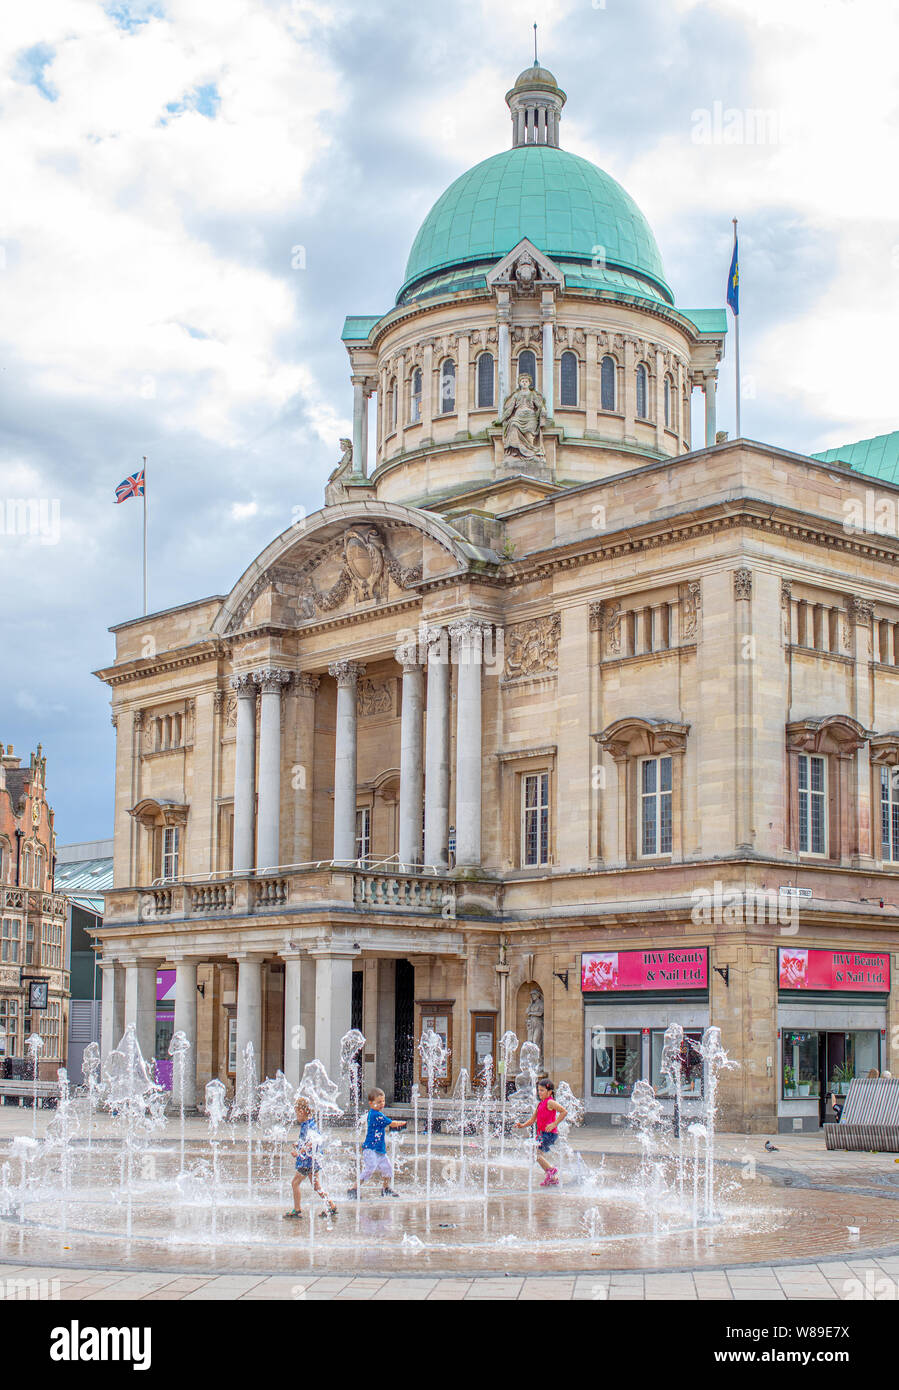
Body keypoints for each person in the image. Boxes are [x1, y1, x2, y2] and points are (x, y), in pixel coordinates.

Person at [346, 1088, 407, 1200]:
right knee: (370, 1168)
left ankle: (385, 1188)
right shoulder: (375, 1114)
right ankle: (353, 1189)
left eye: (383, 1101)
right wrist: (403, 1123)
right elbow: (392, 1124)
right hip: (370, 1148)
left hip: (379, 1149)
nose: (381, 1104)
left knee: (388, 1168)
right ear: (370, 1103)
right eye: (378, 1102)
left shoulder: (377, 1113)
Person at [284, 1096, 337, 1220]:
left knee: (295, 1183)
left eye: (297, 1113)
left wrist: (299, 1152)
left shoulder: (308, 1125)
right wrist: (298, 1144)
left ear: (302, 1112)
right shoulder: (308, 1123)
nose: (296, 1116)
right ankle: (331, 1205)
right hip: (313, 1160)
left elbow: (312, 1142)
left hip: (307, 1161)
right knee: (316, 1185)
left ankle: (297, 1210)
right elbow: (309, 1140)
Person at [515, 1079, 567, 1187]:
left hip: (549, 1134)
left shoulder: (550, 1102)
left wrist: (554, 1124)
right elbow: (532, 1120)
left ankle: (551, 1171)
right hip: (542, 1134)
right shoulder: (540, 1104)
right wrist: (522, 1125)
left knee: (535, 1154)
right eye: (539, 1090)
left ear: (549, 1092)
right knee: (535, 1155)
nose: (539, 1092)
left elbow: (564, 1111)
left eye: (542, 1090)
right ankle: (552, 1178)